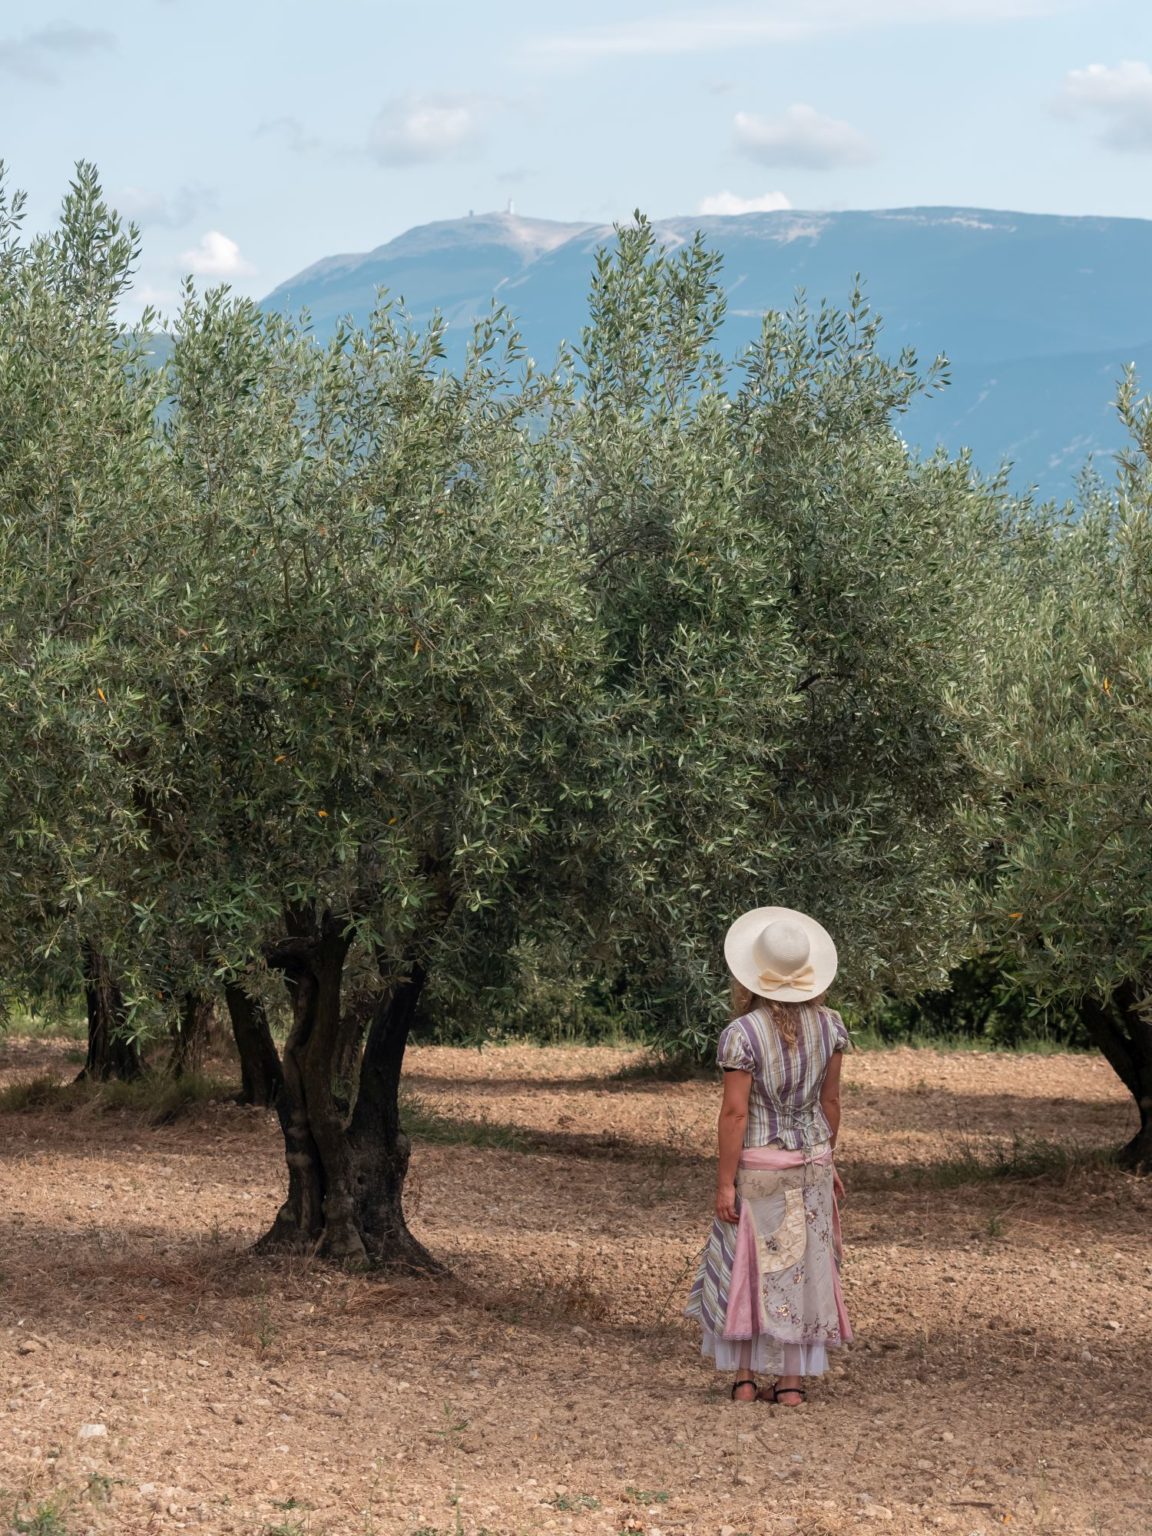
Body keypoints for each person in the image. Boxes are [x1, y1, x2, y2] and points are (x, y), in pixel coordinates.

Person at [685, 905, 853, 1405]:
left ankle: (743, 1379)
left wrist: (723, 1182)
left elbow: (735, 1115)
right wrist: (827, 1156)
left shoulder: (742, 1035)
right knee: (801, 1272)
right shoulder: (832, 1027)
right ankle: (791, 1384)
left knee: (750, 1267)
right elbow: (830, 1103)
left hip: (760, 1164)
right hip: (810, 1163)